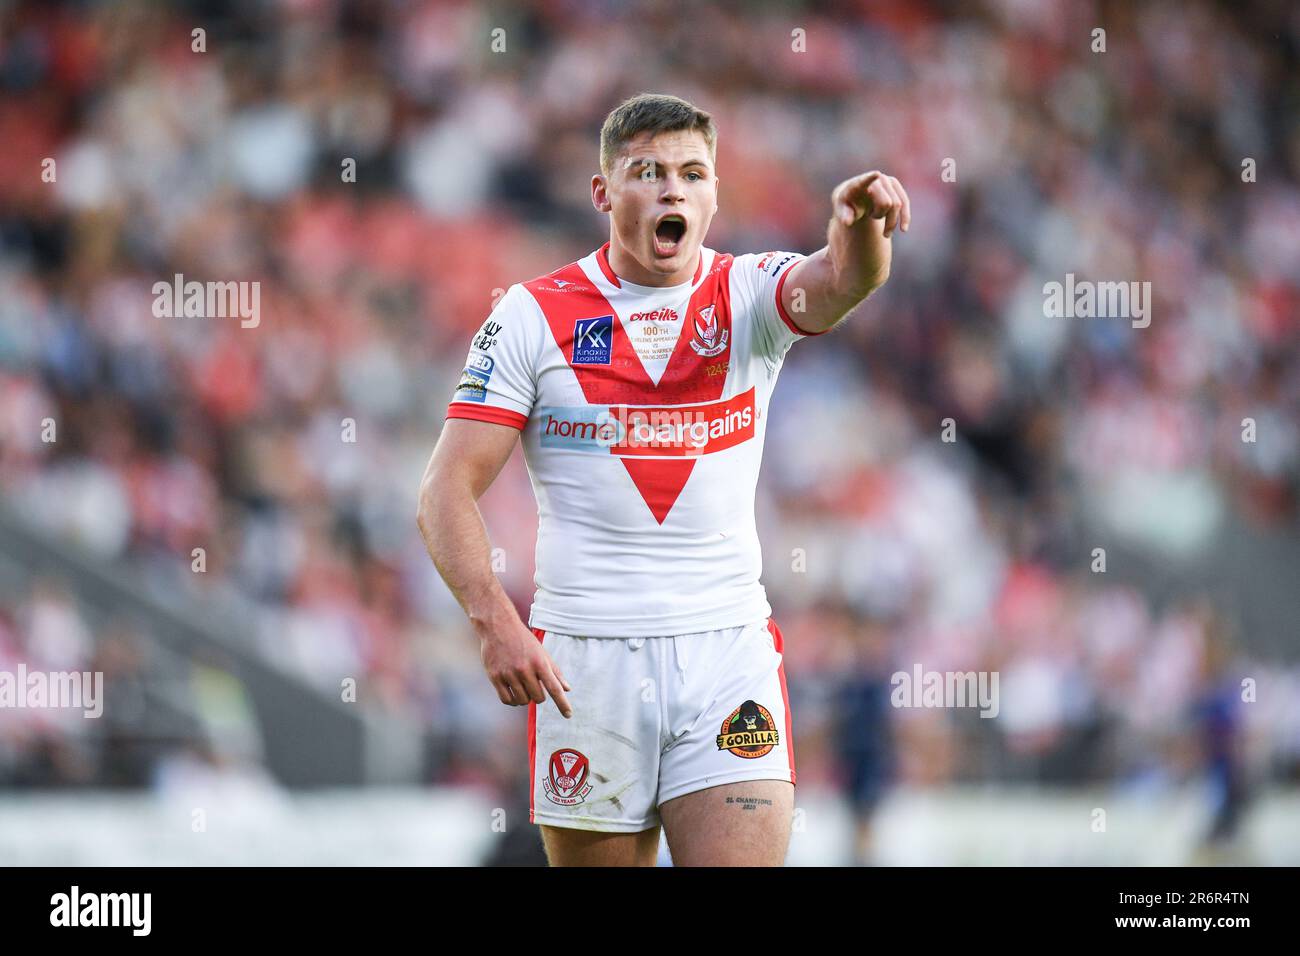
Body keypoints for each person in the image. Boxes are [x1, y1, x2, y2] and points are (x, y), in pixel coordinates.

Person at [417, 92, 909, 866]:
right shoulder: (530, 317)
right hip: (586, 662)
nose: (672, 189)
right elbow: (445, 490)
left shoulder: (748, 294)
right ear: (603, 192)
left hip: (725, 652)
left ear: (714, 196)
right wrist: (495, 624)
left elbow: (844, 280)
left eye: (692, 173)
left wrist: (861, 229)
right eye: (648, 172)